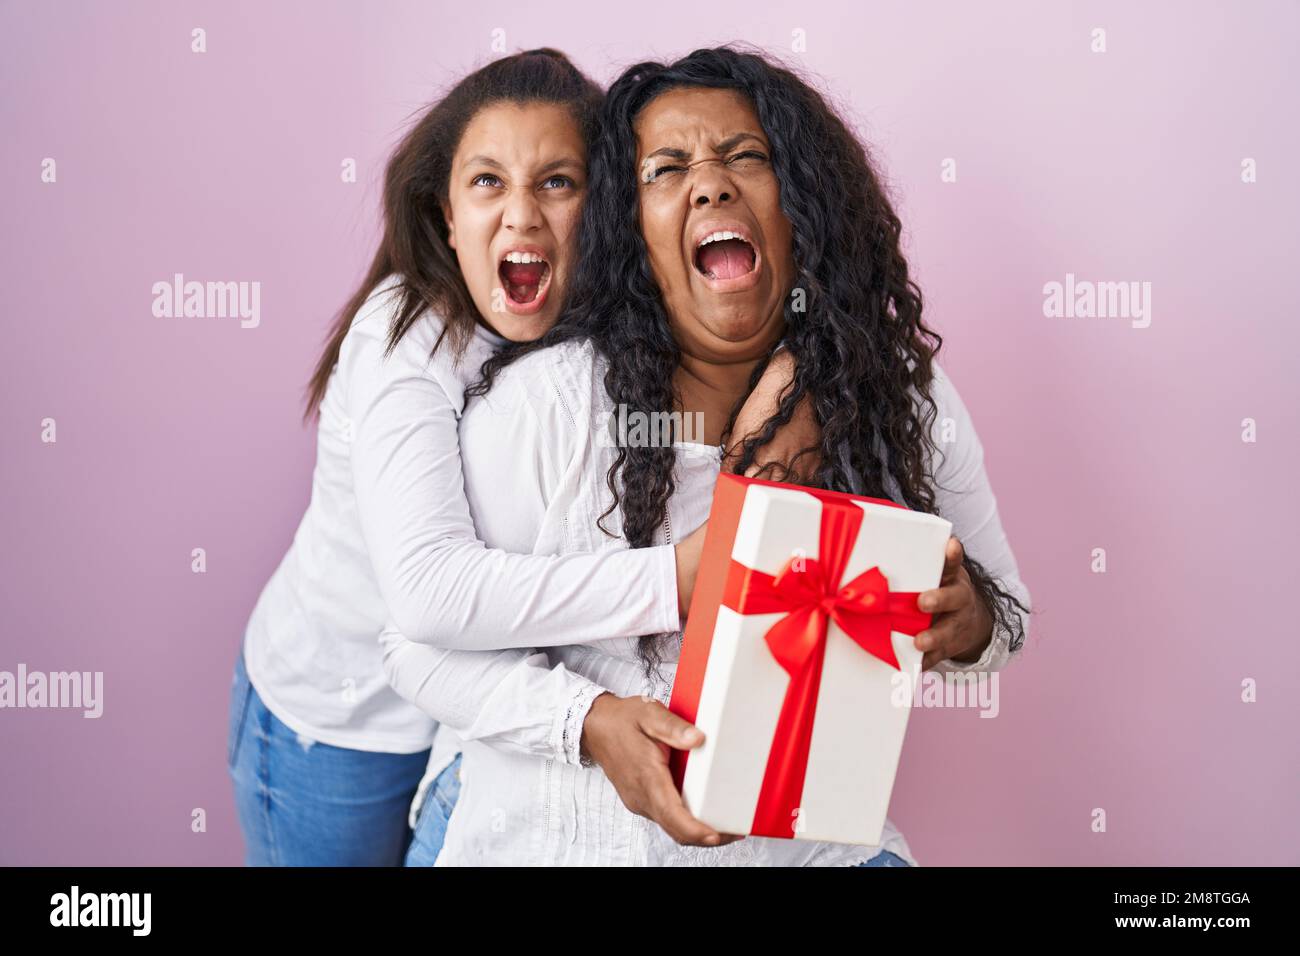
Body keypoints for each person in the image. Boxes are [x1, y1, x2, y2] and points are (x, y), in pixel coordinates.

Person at [385, 46, 1032, 866]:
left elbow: (1004, 627)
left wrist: (970, 625)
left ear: (804, 202)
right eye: (665, 169)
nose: (712, 183)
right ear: (632, 231)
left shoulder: (899, 396)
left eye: (746, 158)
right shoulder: (547, 407)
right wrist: (586, 724)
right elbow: (414, 647)